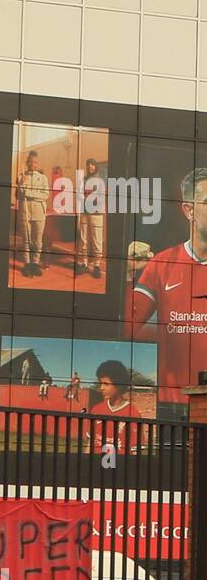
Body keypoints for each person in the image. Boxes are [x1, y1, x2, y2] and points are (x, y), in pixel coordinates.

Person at [126, 166, 207, 422]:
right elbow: (130, 329)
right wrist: (128, 275)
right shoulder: (162, 263)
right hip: (172, 407)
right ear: (189, 210)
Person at [89, 360, 141, 455]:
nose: (101, 388)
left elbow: (135, 451)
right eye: (100, 383)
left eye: (106, 384)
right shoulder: (96, 409)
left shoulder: (133, 413)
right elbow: (90, 444)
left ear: (119, 385)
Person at [16, 151, 49, 277]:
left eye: (35, 162)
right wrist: (20, 185)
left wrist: (29, 193)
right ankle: (27, 265)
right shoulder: (21, 177)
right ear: (27, 163)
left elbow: (45, 195)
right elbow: (18, 196)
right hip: (25, 212)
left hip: (39, 213)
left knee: (38, 241)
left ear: (37, 163)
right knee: (26, 240)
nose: (32, 164)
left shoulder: (43, 178)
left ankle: (35, 263)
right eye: (30, 161)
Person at [75, 157, 105, 280]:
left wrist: (91, 201)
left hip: (96, 214)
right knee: (83, 239)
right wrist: (84, 200)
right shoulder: (83, 180)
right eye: (88, 165)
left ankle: (97, 265)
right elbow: (79, 195)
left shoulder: (100, 181)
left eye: (92, 164)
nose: (90, 167)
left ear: (95, 166)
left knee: (97, 240)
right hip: (84, 213)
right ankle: (85, 263)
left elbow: (101, 197)